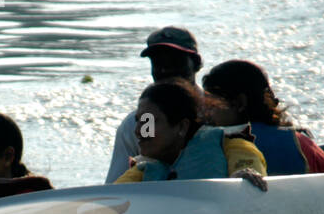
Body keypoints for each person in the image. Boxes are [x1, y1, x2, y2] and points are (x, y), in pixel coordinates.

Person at [113, 79, 268, 189]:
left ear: (182, 126)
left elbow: (253, 177)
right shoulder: (143, 171)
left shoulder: (233, 147)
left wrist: (240, 183)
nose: (138, 131)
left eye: (149, 122)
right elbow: (111, 201)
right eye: (139, 121)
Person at [200, 60, 324, 174]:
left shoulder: (213, 146)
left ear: (239, 103)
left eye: (211, 105)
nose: (204, 113)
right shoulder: (299, 143)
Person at [104, 27, 203, 183]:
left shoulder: (218, 115)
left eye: (175, 61)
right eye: (158, 62)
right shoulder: (144, 120)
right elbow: (115, 191)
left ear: (197, 64)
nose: (165, 69)